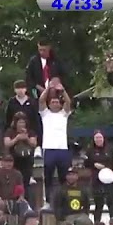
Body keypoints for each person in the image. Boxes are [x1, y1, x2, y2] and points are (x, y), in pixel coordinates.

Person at [37, 81, 71, 209]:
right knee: (48, 176)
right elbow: (41, 101)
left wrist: (62, 90)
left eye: (57, 102)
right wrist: (48, 88)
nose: (55, 103)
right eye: (53, 102)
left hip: (63, 149)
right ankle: (48, 201)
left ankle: (64, 200)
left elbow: (68, 102)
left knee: (64, 176)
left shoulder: (64, 114)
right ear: (49, 104)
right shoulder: (45, 114)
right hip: (49, 149)